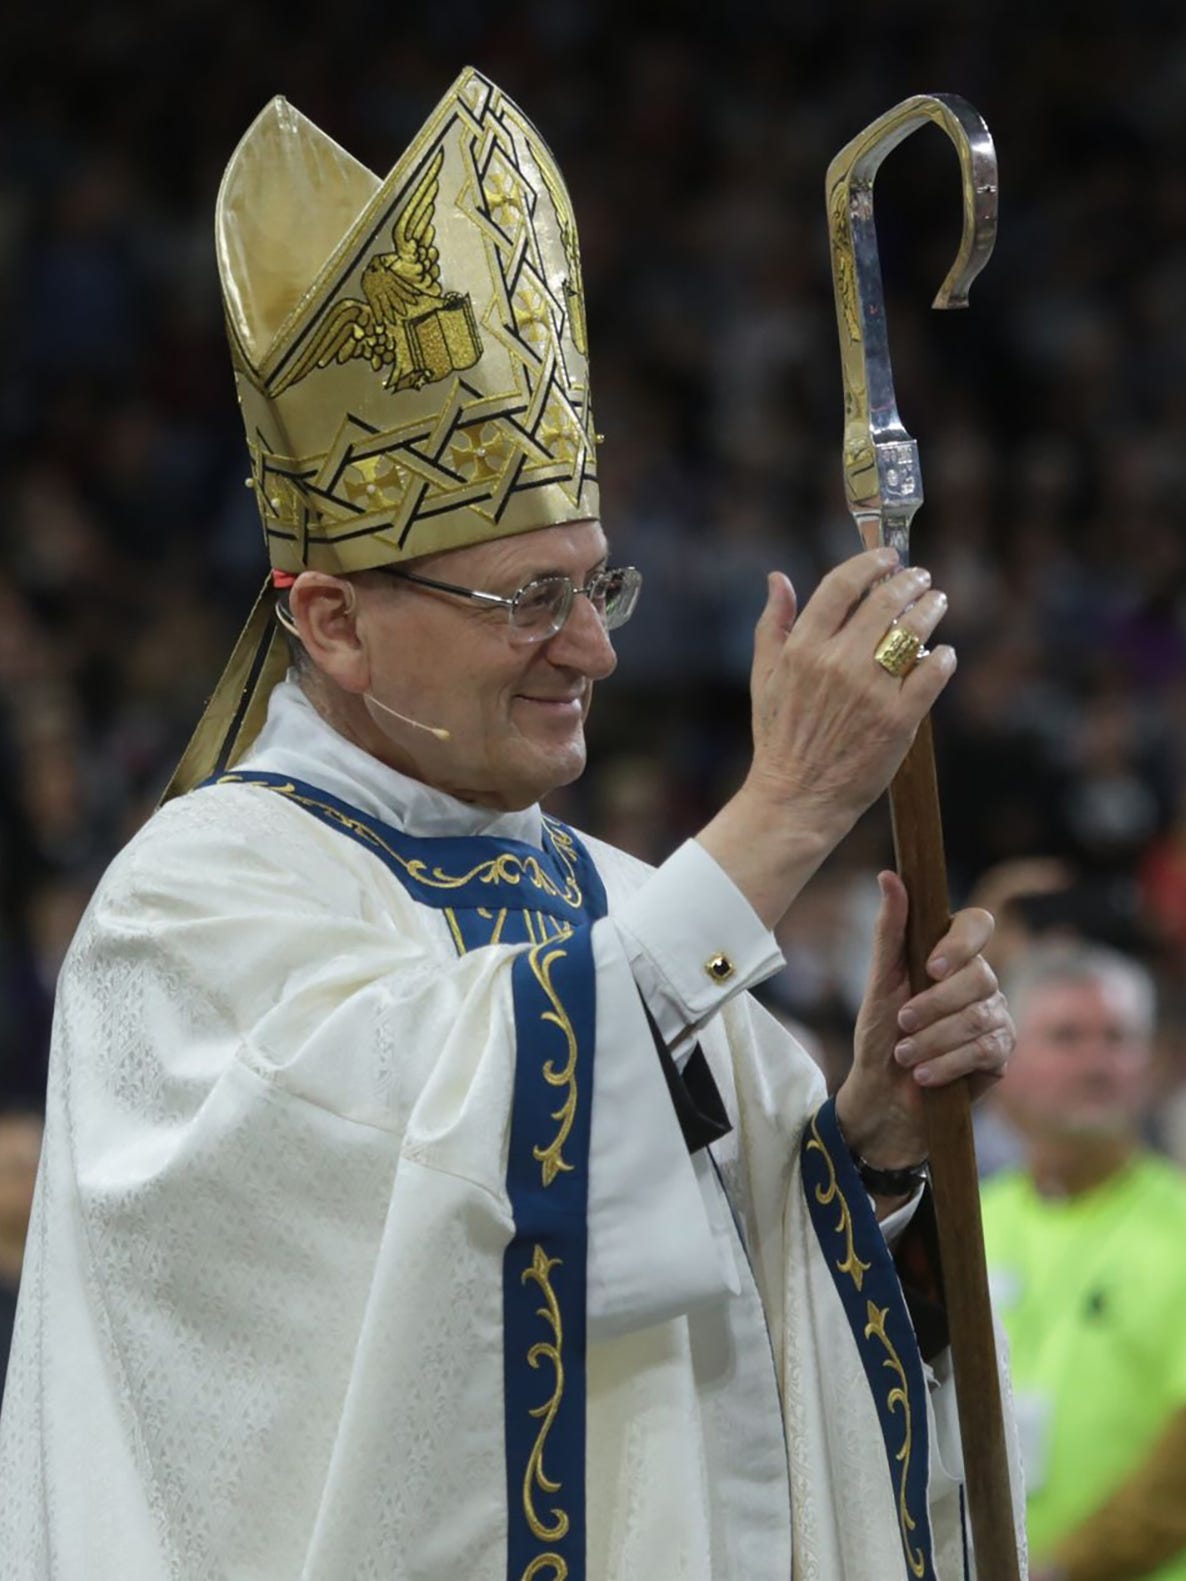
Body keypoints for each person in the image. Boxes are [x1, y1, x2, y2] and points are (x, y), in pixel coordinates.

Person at [0, 68, 1024, 1579]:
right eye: (525, 600)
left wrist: (863, 1143)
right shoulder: (194, 904)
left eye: (593, 583)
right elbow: (436, 1200)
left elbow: (713, 1354)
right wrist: (789, 806)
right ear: (333, 619)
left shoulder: (618, 900)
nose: (593, 648)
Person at [982, 941, 1186, 1581]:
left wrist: (1063, 1571)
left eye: (1119, 1038)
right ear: (1008, 1063)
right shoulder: (966, 1226)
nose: (1097, 1062)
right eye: (1067, 1037)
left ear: (1151, 1066)